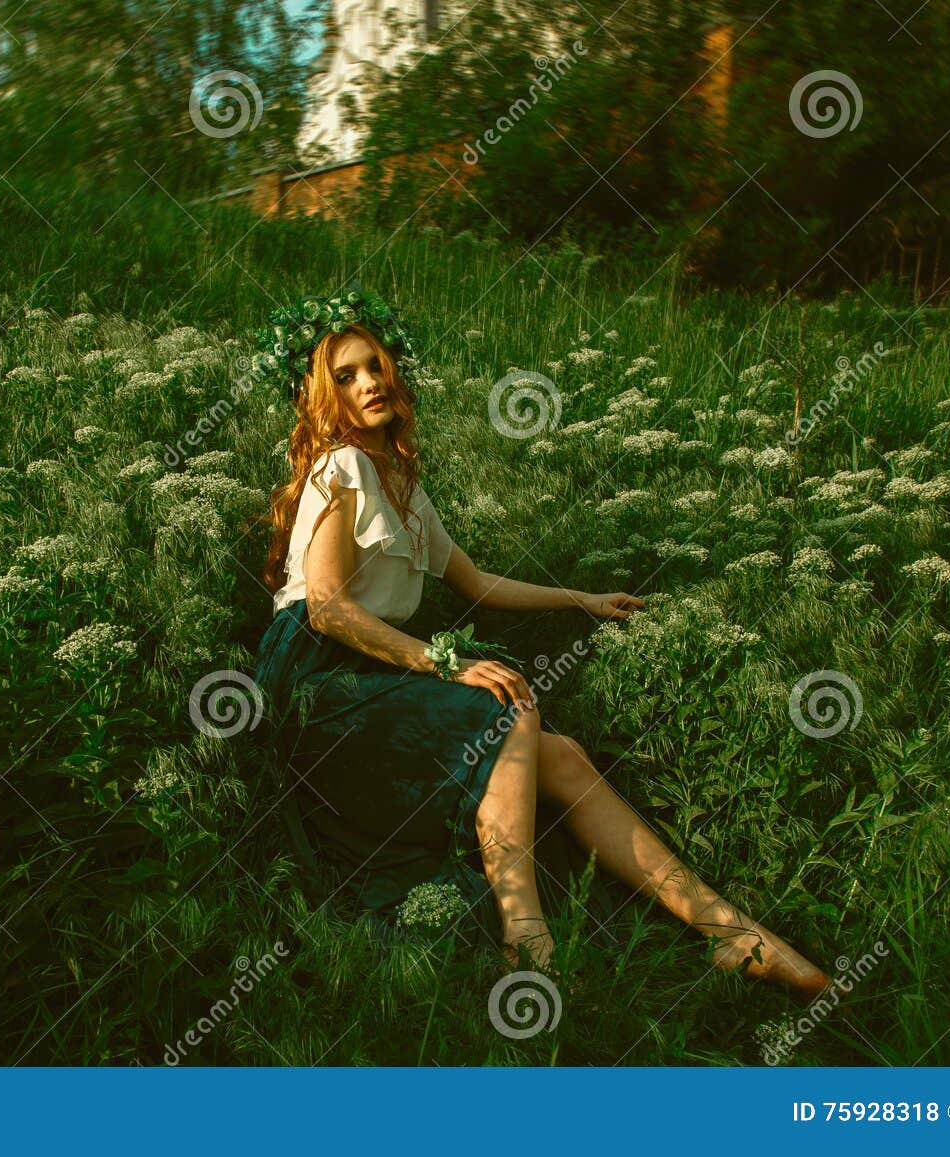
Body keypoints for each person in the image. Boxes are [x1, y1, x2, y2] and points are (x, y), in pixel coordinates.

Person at [250, 289, 830, 997]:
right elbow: (331, 610)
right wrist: (442, 659)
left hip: (373, 668)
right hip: (318, 680)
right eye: (344, 375)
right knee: (511, 700)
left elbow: (477, 583)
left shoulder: (400, 482)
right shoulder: (337, 468)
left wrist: (580, 599)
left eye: (374, 365)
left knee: (563, 756)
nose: (368, 381)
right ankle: (526, 936)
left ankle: (731, 931)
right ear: (321, 395)